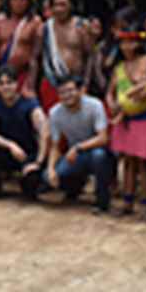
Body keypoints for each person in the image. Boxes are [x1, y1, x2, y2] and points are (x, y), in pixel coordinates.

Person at [107, 31, 146, 220]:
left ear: (139, 43)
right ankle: (127, 201)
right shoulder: (119, 67)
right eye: (123, 43)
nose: (127, 46)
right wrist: (112, 104)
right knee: (128, 161)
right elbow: (110, 91)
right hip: (124, 119)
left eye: (131, 42)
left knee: (144, 162)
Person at [45, 75, 114, 213]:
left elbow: (103, 138)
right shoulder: (55, 113)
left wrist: (78, 147)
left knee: (99, 156)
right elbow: (55, 145)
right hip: (75, 156)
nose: (66, 96)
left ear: (81, 91)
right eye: (62, 92)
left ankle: (102, 200)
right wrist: (51, 169)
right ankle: (74, 188)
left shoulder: (95, 105)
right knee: (52, 175)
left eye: (70, 90)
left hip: (98, 150)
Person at [0, 66, 47, 201]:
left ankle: (28, 183)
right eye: (1, 83)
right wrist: (10, 145)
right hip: (6, 153)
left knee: (31, 186)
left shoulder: (30, 104)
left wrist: (38, 162)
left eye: (9, 82)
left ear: (17, 84)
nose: (6, 87)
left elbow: (44, 133)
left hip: (28, 155)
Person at [36, 0, 87, 110]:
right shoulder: (44, 28)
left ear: (71, 6)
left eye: (63, 4)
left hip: (76, 84)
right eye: (55, 5)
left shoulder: (82, 26)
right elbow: (35, 57)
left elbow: (90, 56)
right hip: (52, 82)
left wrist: (86, 84)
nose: (59, 9)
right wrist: (30, 86)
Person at [0, 0, 39, 96]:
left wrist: (30, 85)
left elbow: (35, 57)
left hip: (23, 74)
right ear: (9, 1)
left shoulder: (35, 22)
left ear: (29, 3)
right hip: (2, 74)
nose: (18, 3)